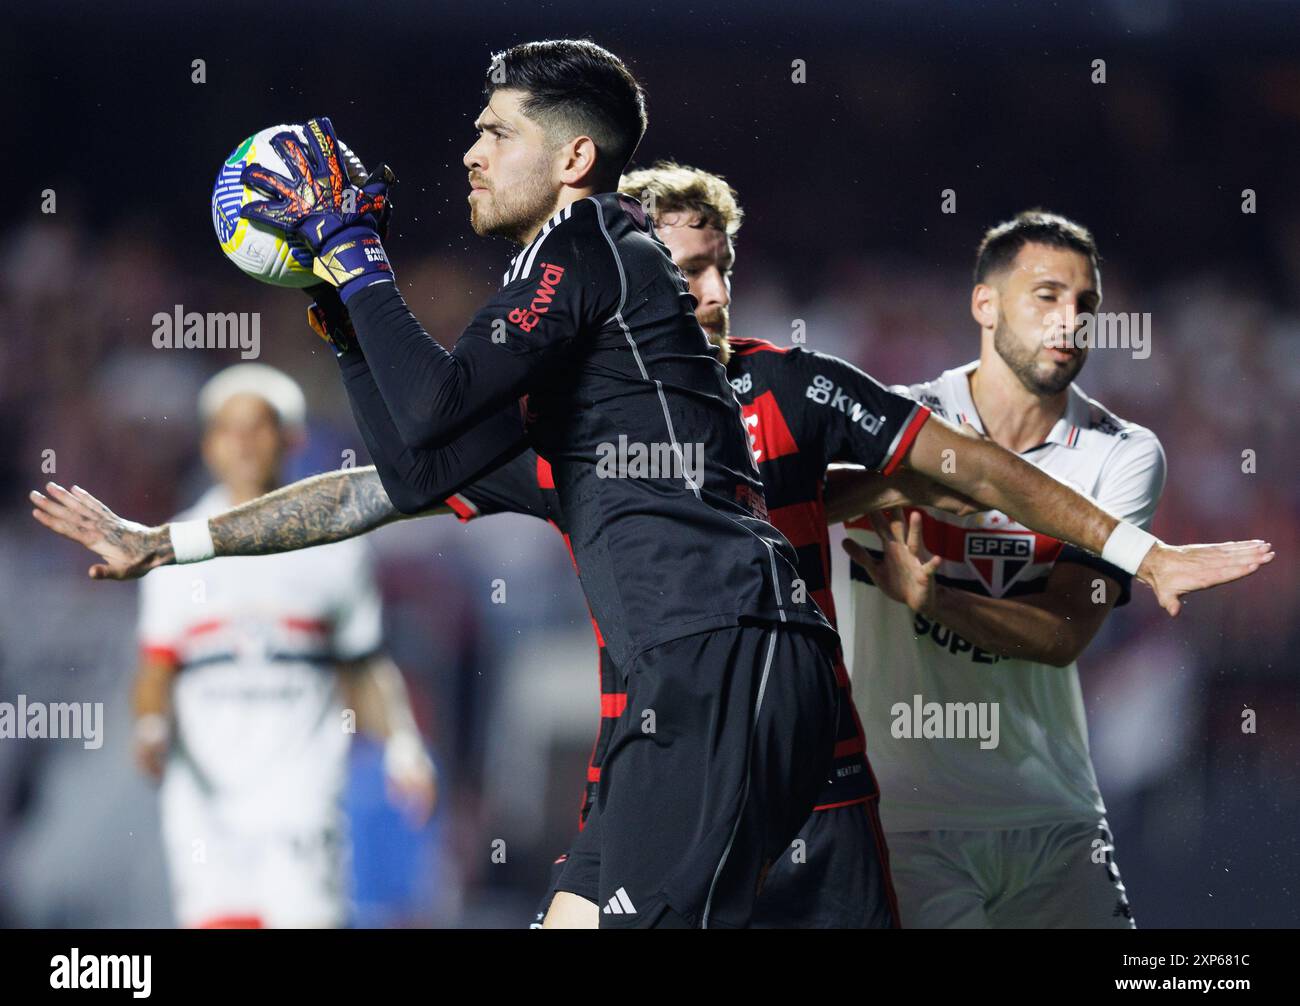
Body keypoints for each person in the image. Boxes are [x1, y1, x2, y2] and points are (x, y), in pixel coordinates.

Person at [32, 41, 1272, 927]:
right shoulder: (580, 394)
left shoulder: (615, 269)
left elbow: (969, 464)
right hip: (711, 700)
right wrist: (179, 535)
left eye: (492, 130)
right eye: (683, 266)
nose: (466, 150)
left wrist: (1132, 549)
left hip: (732, 690)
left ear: (574, 162)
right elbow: (399, 470)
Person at [841, 210, 1166, 927]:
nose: (1070, 320)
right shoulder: (899, 421)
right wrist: (903, 481)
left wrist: (934, 601)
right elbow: (785, 493)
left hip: (1058, 819)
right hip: (911, 824)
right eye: (1046, 296)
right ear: (984, 305)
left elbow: (1063, 635)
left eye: (1085, 304)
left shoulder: (1121, 452)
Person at [131, 364, 434, 928]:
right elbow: (156, 667)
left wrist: (403, 748)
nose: (243, 443)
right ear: (208, 445)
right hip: (207, 802)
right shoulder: (172, 549)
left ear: (292, 438)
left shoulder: (337, 549)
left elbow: (364, 666)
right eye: (228, 429)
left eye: (259, 427)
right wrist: (150, 728)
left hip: (302, 794)